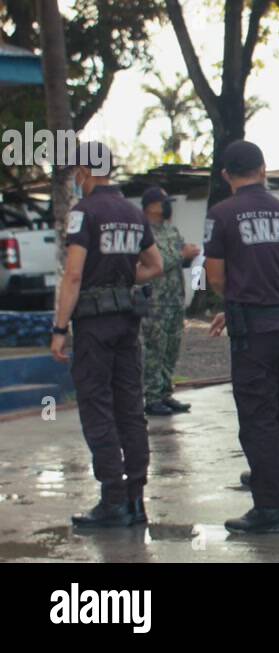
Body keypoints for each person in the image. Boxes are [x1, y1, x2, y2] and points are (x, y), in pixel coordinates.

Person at [51, 142, 164, 528]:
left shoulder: (84, 213)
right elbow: (156, 265)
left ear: (87, 170)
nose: (77, 180)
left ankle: (112, 499)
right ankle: (135, 499)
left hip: (95, 327)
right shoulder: (133, 213)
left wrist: (59, 328)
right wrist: (123, 281)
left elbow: (74, 274)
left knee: (97, 407)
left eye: (77, 172)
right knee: (131, 410)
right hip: (127, 323)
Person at [203, 140, 279, 535]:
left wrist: (238, 300)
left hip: (255, 331)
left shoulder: (222, 214)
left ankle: (269, 508)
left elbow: (215, 277)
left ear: (226, 175)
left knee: (258, 419)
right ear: (263, 169)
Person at [139, 187, 199, 418]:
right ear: (151, 206)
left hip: (174, 300)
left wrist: (189, 256)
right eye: (163, 202)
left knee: (171, 349)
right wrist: (181, 255)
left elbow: (178, 260)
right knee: (155, 349)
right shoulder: (143, 232)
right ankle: (152, 397)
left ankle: (165, 392)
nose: (166, 206)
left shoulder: (171, 230)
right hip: (154, 302)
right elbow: (159, 263)